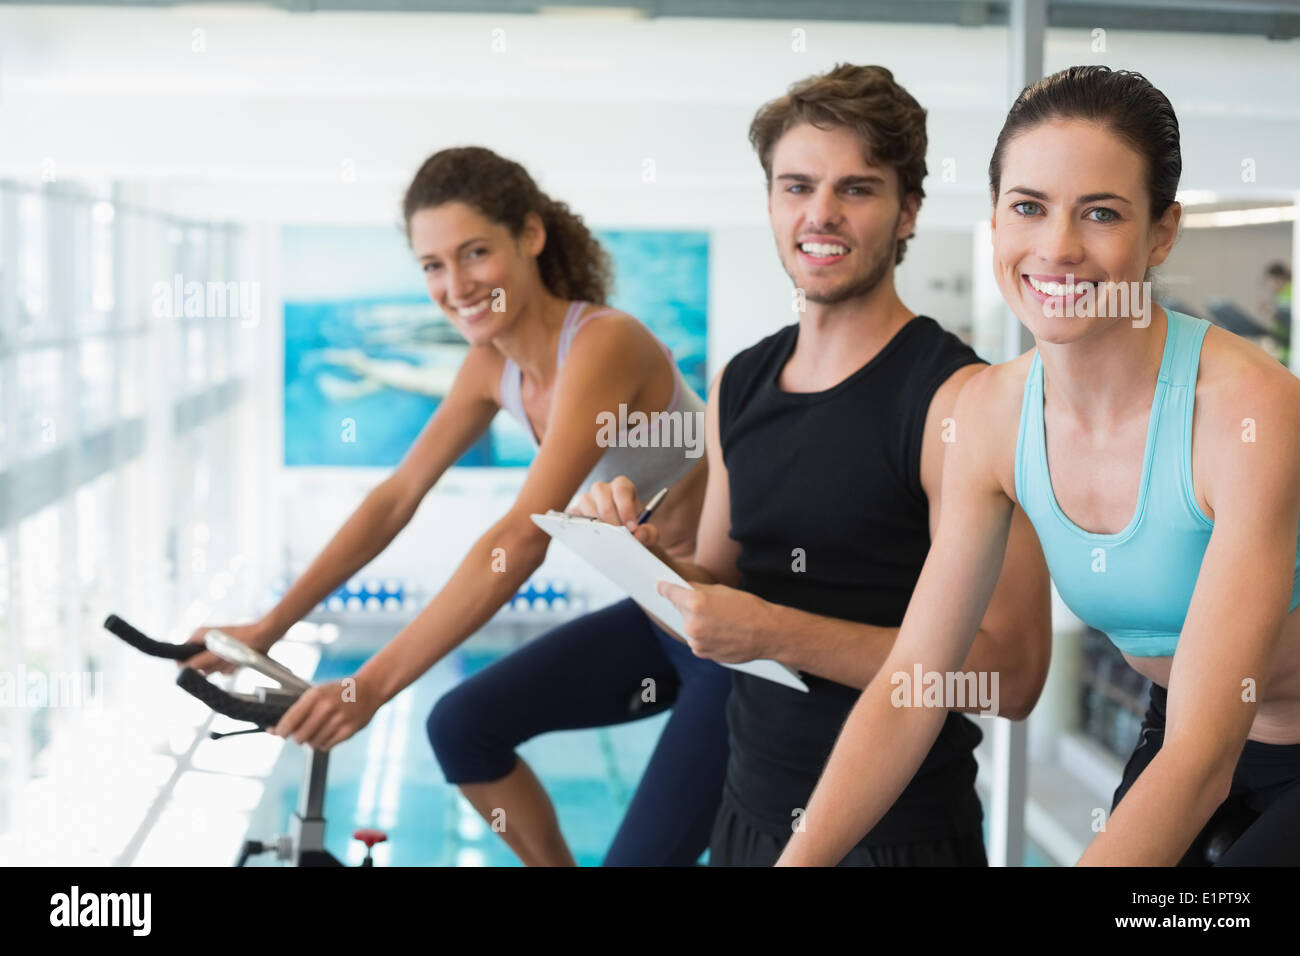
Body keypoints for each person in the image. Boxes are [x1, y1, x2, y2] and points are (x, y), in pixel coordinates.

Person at [778, 66, 1300, 867]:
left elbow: (1201, 763)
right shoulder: (988, 414)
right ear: (994, 220)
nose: (1056, 248)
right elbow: (912, 684)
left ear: (1161, 233)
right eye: (1028, 207)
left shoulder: (1246, 411)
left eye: (1100, 213)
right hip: (1191, 723)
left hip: (1214, 744)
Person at [182, 146, 728, 866]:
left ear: (530, 236)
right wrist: (268, 626)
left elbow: (521, 537)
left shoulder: (604, 344)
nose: (455, 284)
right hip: (659, 621)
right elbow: (395, 498)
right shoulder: (490, 366)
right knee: (461, 727)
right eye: (433, 265)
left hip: (730, 642)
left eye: (475, 253)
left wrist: (370, 684)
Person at [577, 63, 1052, 867]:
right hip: (748, 816)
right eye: (796, 186)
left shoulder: (959, 400)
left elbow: (1011, 676)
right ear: (770, 202)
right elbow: (716, 598)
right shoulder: (742, 381)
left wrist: (783, 633)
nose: (820, 214)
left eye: (856, 189)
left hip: (897, 839)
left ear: (909, 213)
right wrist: (643, 559)